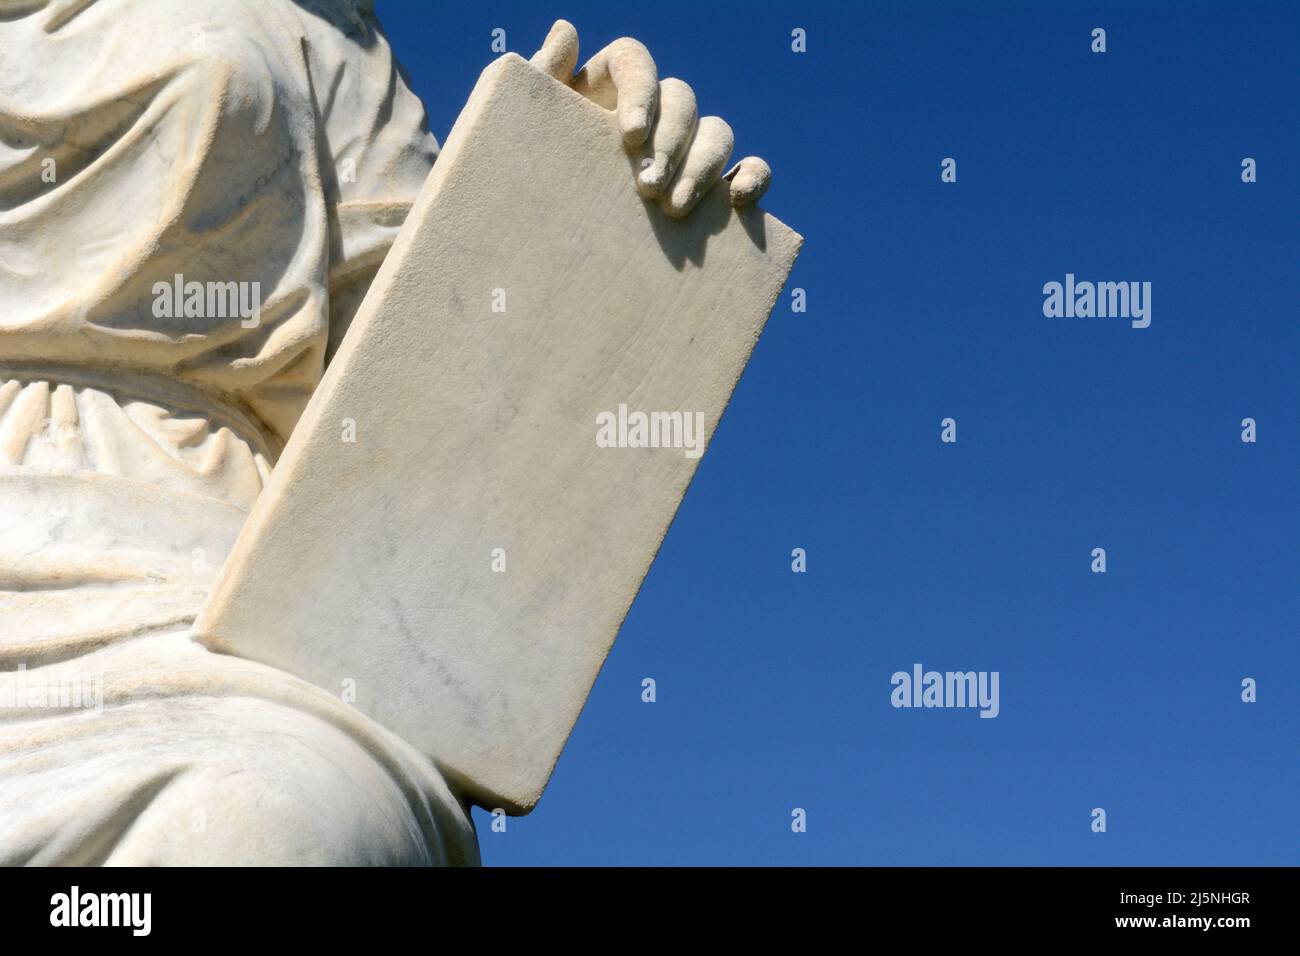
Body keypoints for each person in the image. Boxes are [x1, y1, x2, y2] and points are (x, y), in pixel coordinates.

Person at [0, 0, 770, 864]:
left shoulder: (310, 25)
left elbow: (435, 350)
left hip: (206, 589)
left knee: (263, 818)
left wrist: (575, 183)